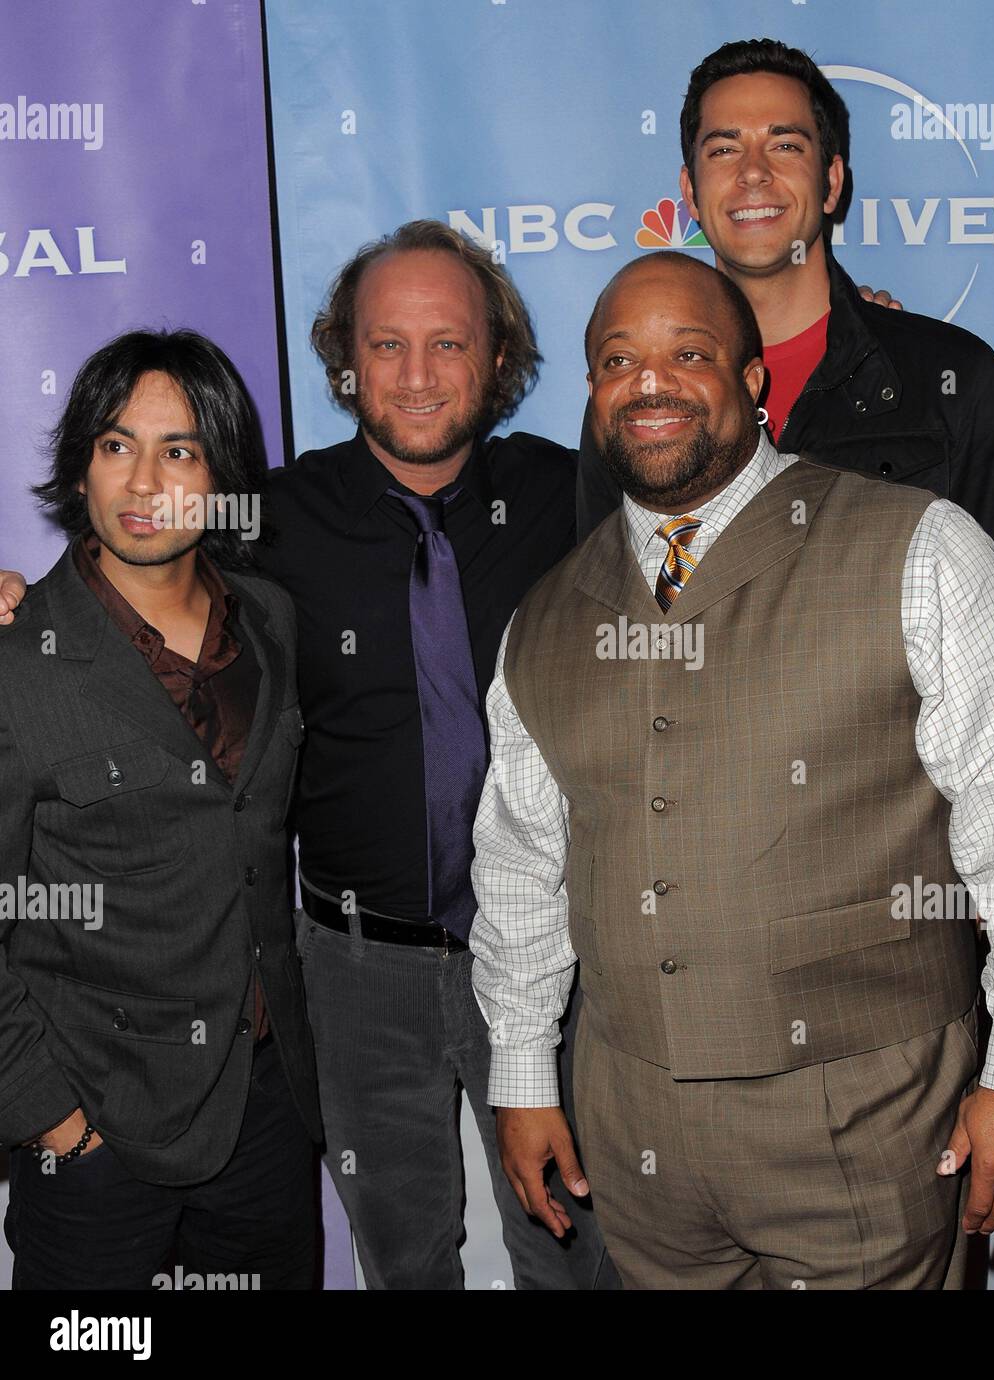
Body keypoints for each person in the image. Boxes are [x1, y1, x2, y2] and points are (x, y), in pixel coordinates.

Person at [470, 251, 994, 1288]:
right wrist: (521, 1071)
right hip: (637, 1141)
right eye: (616, 360)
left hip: (869, 1124)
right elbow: (519, 869)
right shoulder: (543, 619)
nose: (650, 381)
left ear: (752, 381)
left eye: (690, 352)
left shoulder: (918, 550)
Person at [0, 223, 616, 1291]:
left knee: (571, 1260)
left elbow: (721, 499)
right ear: (344, 361)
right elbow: (123, 569)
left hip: (538, 959)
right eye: (385, 344)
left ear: (501, 360)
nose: (416, 375)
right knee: (400, 1258)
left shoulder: (576, 500)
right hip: (347, 977)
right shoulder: (269, 523)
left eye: (448, 343)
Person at [0, 330, 321, 1289]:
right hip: (97, 1130)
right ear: (80, 467)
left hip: (266, 1107)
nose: (143, 481)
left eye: (178, 450)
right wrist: (52, 1117)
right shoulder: (17, 662)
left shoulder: (270, 620)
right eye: (114, 445)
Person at [575, 38, 994, 585]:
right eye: (723, 149)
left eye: (785, 145)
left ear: (832, 182)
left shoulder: (952, 383)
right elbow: (606, 600)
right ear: (690, 193)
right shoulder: (642, 402)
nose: (753, 173)